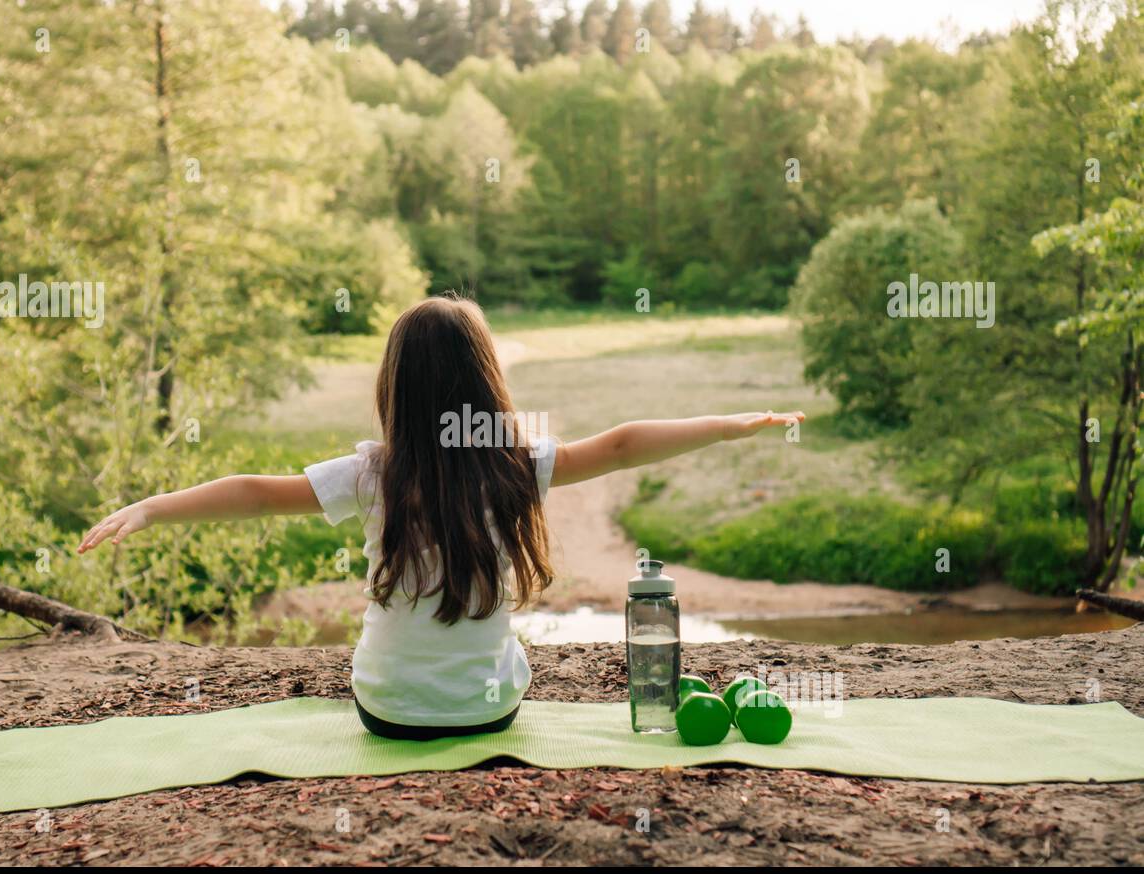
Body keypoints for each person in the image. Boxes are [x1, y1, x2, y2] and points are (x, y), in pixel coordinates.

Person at [78, 295, 803, 740]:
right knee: (505, 662)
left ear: (396, 385)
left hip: (385, 714)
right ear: (486, 382)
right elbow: (619, 445)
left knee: (379, 656)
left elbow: (257, 492)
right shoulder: (515, 464)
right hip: (488, 715)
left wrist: (151, 508)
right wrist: (730, 424)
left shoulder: (372, 473)